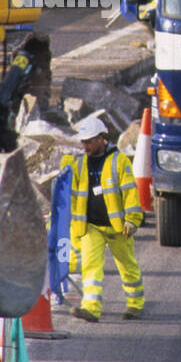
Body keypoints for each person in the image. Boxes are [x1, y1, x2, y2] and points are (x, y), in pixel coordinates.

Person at [63, 114, 145, 322]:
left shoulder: (119, 161)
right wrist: (65, 164)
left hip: (118, 227)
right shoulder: (81, 164)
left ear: (101, 139)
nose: (85, 146)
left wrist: (133, 219)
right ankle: (91, 308)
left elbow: (130, 192)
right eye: (83, 142)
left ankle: (135, 304)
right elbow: (67, 182)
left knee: (127, 266)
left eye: (89, 141)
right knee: (91, 266)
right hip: (91, 227)